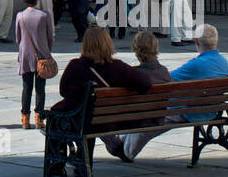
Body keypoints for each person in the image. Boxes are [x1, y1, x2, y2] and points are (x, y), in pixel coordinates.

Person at [48, 25, 152, 169]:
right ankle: (83, 163)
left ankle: (57, 166)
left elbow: (63, 91)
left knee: (62, 118)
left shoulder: (76, 66)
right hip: (109, 122)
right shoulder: (117, 67)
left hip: (81, 123)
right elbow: (145, 83)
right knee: (89, 114)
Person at [118, 31, 174, 160]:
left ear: (136, 51)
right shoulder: (164, 73)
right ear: (156, 49)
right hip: (156, 119)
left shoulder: (132, 75)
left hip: (133, 121)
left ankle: (119, 146)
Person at [170, 25, 228, 121]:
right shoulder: (223, 61)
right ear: (217, 41)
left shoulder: (195, 65)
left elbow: (167, 78)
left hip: (190, 113)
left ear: (197, 41)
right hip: (212, 111)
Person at [16, 0, 53, 128]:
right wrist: (47, 50)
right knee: (40, 88)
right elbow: (50, 36)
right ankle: (39, 118)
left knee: (26, 88)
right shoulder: (44, 16)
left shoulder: (20, 16)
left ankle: (25, 118)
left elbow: (18, 38)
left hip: (26, 55)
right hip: (42, 55)